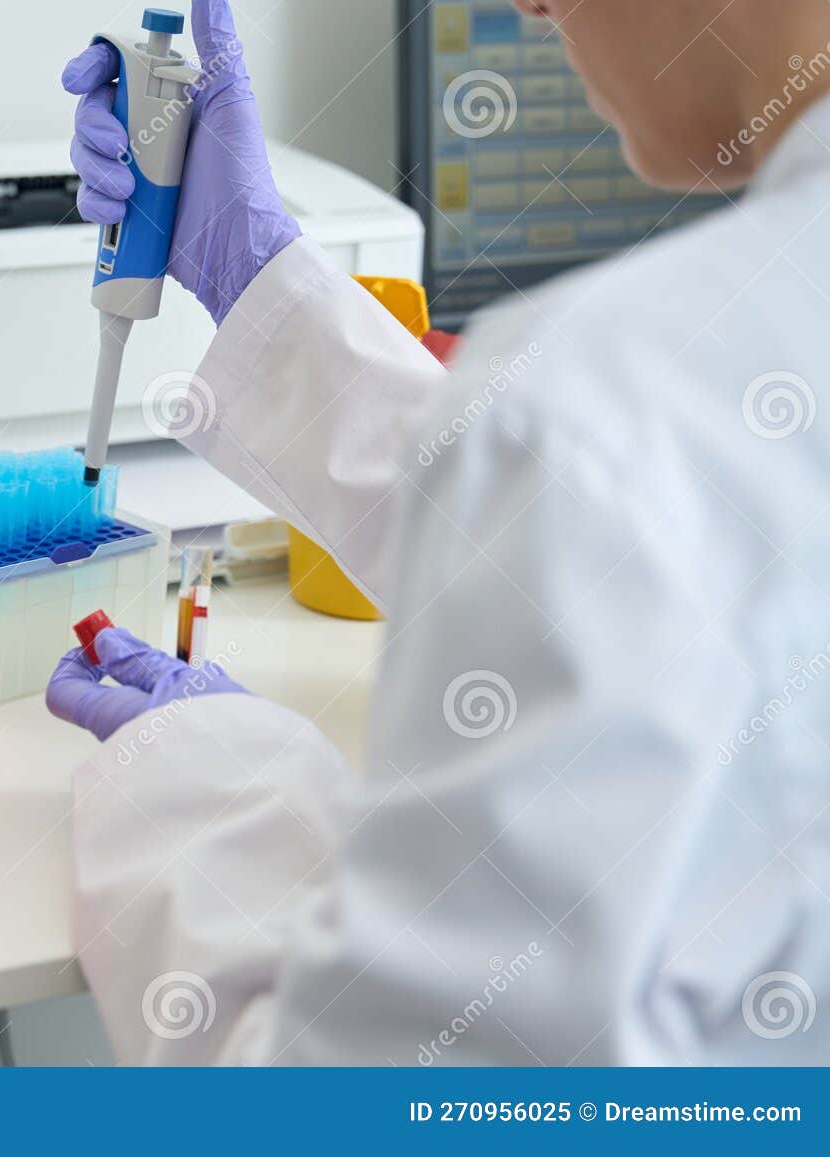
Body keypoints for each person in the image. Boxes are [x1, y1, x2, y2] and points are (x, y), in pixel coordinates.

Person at [46, 0, 830, 1064]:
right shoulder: (650, 406)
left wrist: (210, 778)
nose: (526, 4)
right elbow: (635, 540)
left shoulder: (608, 409)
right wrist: (249, 267)